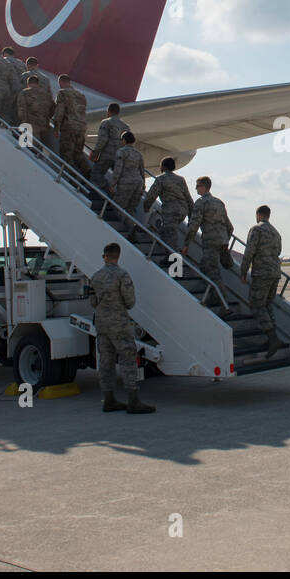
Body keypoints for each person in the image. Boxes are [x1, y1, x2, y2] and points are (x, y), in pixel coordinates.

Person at [89, 243, 153, 414]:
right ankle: (133, 400)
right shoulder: (122, 275)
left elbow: (92, 302)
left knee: (106, 361)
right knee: (128, 359)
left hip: (102, 324)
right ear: (118, 256)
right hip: (119, 324)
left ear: (105, 256)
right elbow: (130, 303)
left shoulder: (95, 277)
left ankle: (108, 400)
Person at [241, 205, 284, 358]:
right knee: (267, 305)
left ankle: (272, 338)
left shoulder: (256, 229)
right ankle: (272, 338)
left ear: (258, 215)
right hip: (275, 273)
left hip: (262, 273)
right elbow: (278, 252)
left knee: (257, 305)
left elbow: (249, 252)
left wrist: (243, 271)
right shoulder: (276, 232)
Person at [183, 176, 233, 290]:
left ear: (204, 187)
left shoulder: (201, 203)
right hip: (222, 242)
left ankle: (220, 299)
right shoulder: (219, 203)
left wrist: (186, 244)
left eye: (197, 186)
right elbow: (230, 227)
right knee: (205, 267)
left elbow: (193, 226)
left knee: (212, 272)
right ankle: (208, 292)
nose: (196, 189)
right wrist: (224, 240)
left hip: (210, 243)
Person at [142, 156, 192, 245]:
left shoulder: (161, 179)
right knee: (165, 230)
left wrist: (146, 207)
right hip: (182, 210)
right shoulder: (180, 179)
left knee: (170, 235)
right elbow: (188, 198)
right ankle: (167, 253)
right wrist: (191, 215)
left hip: (171, 211)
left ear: (163, 167)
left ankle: (172, 255)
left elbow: (151, 196)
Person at [52, 75, 90, 176]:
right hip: (81, 128)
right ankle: (88, 174)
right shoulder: (81, 95)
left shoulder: (62, 93)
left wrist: (56, 128)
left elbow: (59, 112)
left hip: (69, 128)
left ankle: (72, 178)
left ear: (61, 82)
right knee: (78, 155)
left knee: (66, 155)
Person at [108, 131, 146, 220]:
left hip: (126, 182)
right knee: (131, 209)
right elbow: (142, 171)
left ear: (124, 140)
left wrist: (112, 184)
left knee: (117, 206)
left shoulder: (121, 152)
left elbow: (118, 169)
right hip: (138, 183)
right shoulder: (138, 154)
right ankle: (131, 228)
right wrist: (143, 185)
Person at [89, 103, 130, 185]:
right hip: (119, 156)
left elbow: (102, 140)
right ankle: (110, 191)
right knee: (118, 179)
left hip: (107, 155)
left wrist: (95, 152)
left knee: (96, 174)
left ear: (109, 111)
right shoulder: (126, 127)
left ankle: (105, 188)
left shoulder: (107, 122)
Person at [16, 75, 56, 151]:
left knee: (30, 150)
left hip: (30, 126)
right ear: (38, 83)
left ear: (28, 83)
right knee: (38, 147)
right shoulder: (47, 95)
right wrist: (46, 118)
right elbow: (53, 109)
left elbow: (21, 111)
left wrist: (23, 123)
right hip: (44, 126)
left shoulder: (25, 93)